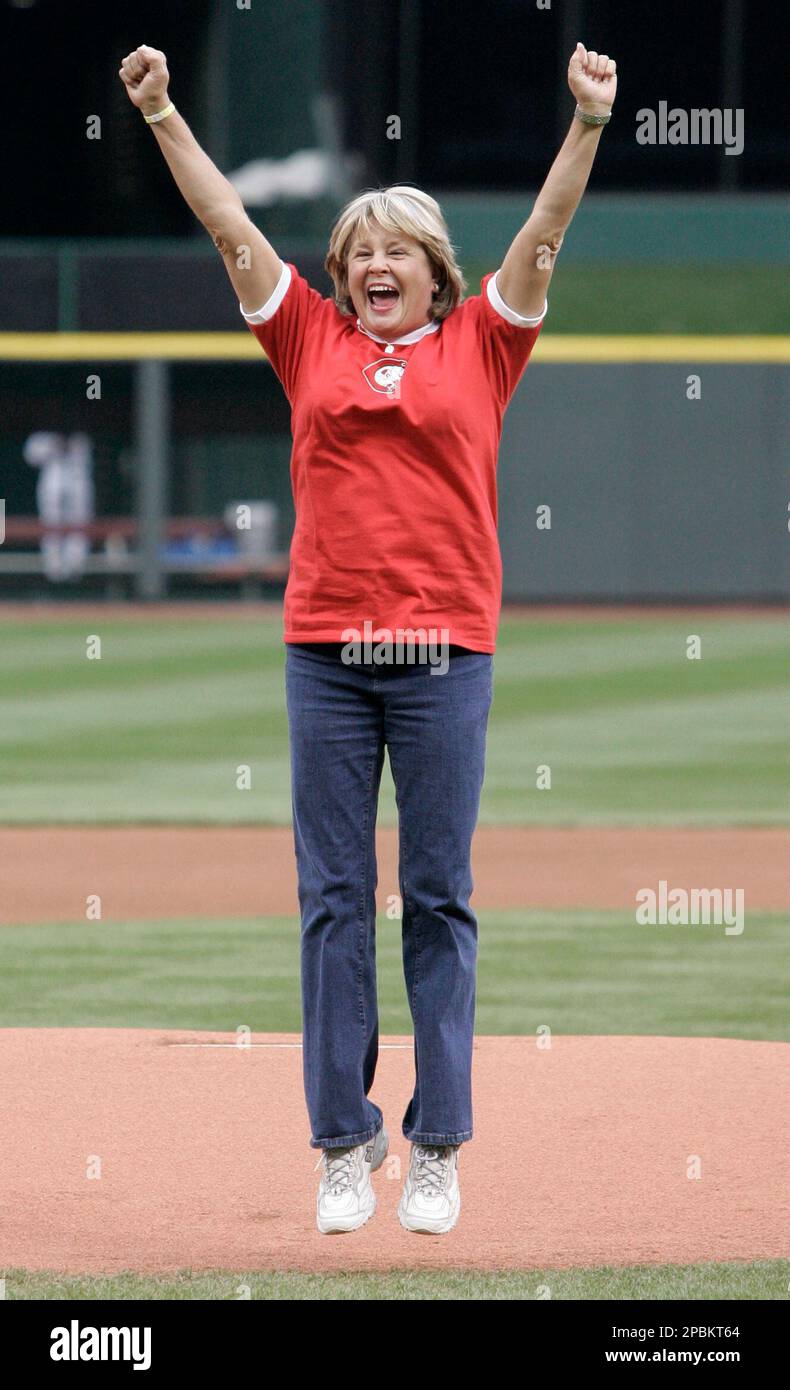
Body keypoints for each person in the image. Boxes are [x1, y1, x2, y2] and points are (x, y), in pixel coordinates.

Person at [119, 39, 617, 1235]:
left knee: (437, 895)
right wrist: (163, 113)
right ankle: (343, 1144)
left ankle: (434, 1144)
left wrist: (588, 126)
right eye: (359, 253)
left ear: (437, 274)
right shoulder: (309, 339)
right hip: (327, 655)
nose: (376, 263)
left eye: (397, 250)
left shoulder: (483, 343)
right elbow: (231, 223)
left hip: (444, 651)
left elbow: (541, 238)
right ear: (341, 276)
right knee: (334, 897)